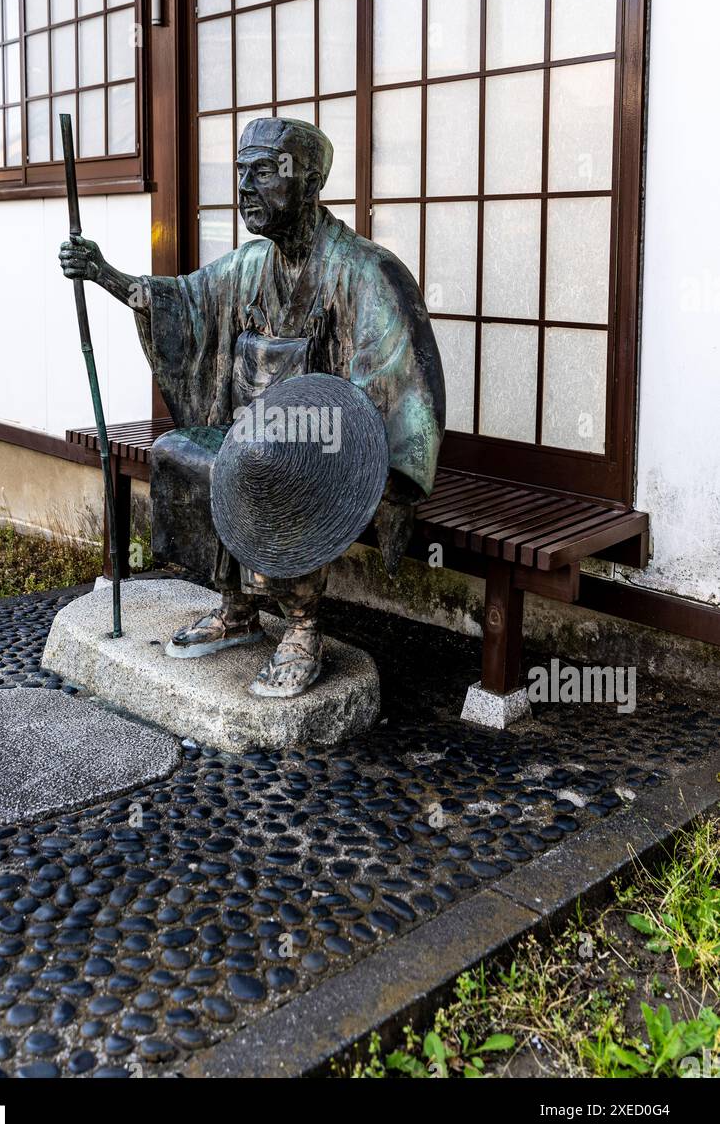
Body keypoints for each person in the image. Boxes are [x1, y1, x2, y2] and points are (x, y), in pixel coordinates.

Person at [59, 116, 445, 698]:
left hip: (334, 449)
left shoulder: (366, 271)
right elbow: (180, 301)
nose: (244, 189)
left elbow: (401, 388)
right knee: (181, 450)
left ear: (310, 182)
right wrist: (103, 273)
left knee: (272, 464)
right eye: (241, 173)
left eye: (263, 174)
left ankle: (303, 625)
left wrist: (373, 467)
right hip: (254, 435)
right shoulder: (249, 266)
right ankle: (235, 605)